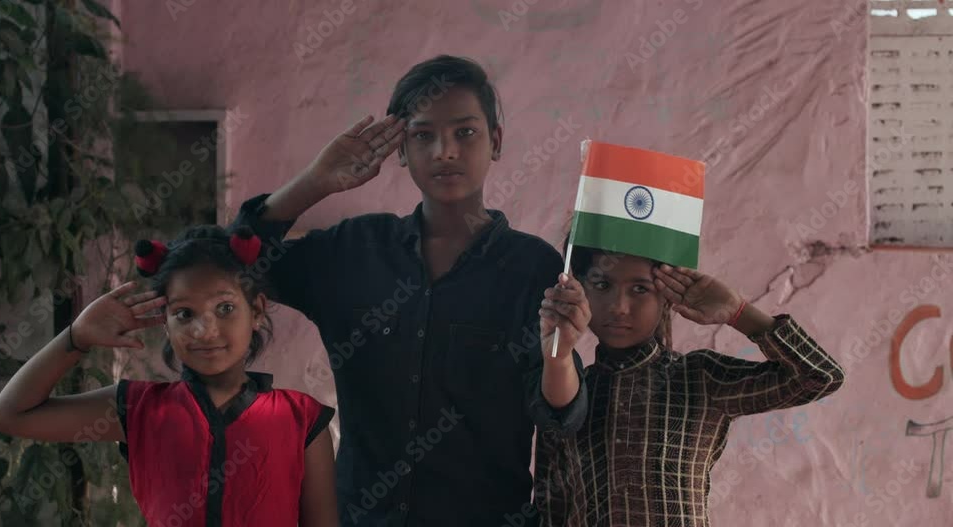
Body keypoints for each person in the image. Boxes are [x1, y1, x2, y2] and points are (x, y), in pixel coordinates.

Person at [232, 55, 588, 526]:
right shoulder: (353, 252)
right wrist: (315, 183)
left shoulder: (532, 268)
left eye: (465, 132)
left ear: (495, 141)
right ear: (399, 150)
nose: (445, 150)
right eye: (423, 135)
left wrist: (560, 357)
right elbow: (237, 264)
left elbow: (561, 416)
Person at [0, 225, 338, 527]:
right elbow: (10, 414)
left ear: (257, 311)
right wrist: (76, 338)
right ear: (166, 324)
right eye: (184, 314)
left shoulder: (302, 419)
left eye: (225, 308)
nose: (204, 330)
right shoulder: (138, 409)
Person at [534, 247, 846, 526]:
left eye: (640, 289)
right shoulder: (566, 395)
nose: (619, 306)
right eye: (602, 285)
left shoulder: (700, 378)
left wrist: (738, 313)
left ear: (667, 297)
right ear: (580, 291)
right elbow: (552, 509)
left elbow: (820, 377)